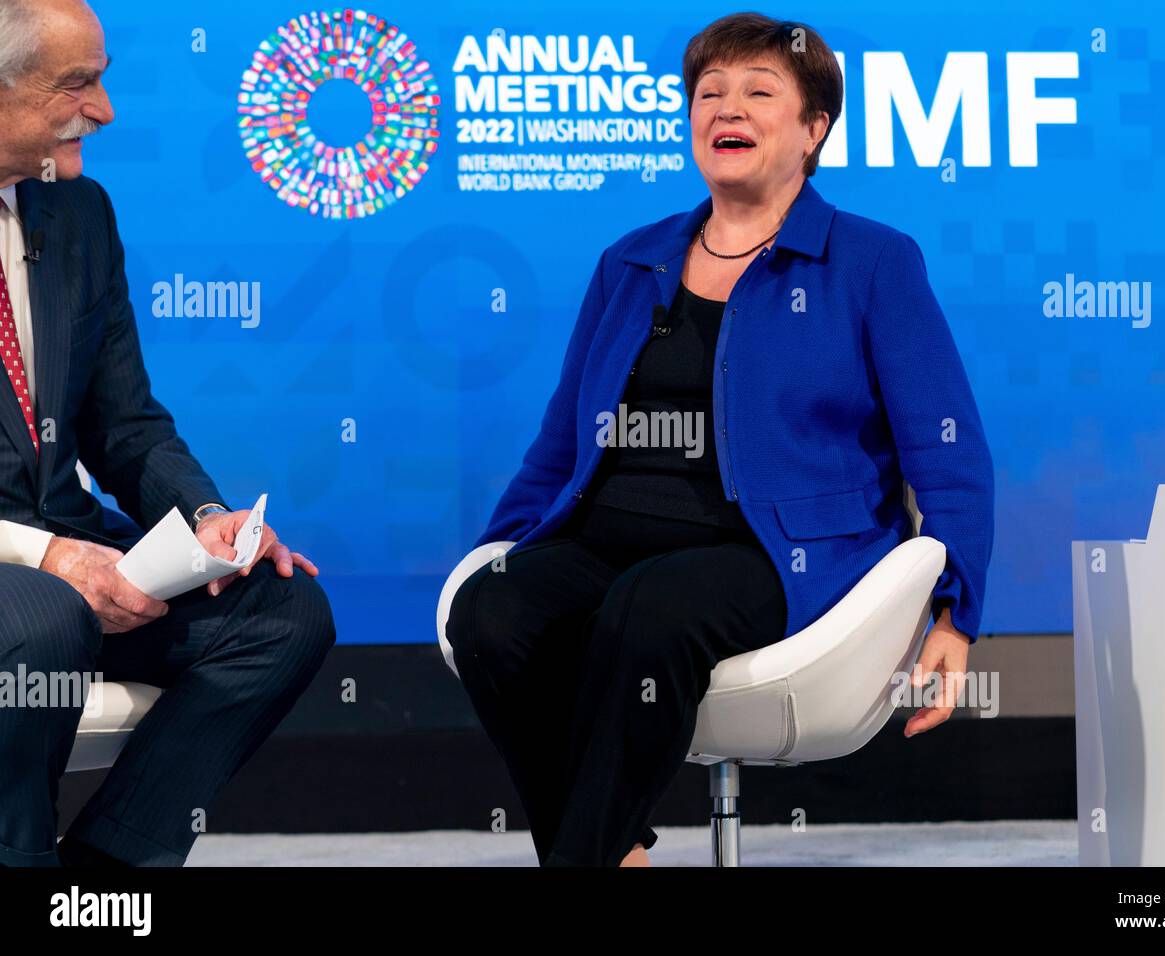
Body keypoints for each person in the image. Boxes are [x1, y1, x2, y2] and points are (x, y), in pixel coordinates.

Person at [446, 12, 995, 867]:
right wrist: (502, 550)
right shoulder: (632, 259)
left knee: (652, 606)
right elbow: (561, 444)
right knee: (493, 612)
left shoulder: (872, 261)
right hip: (609, 531)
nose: (726, 108)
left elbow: (948, 445)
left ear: (814, 129)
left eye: (757, 91)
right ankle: (613, 853)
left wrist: (956, 609)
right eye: (709, 93)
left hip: (778, 550)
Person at [0, 0, 335, 867]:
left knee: (281, 611)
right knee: (45, 620)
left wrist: (208, 519)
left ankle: (105, 877)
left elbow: (127, 424)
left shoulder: (76, 215)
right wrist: (49, 562)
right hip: (27, 583)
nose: (104, 109)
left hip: (66, 559)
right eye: (78, 83)